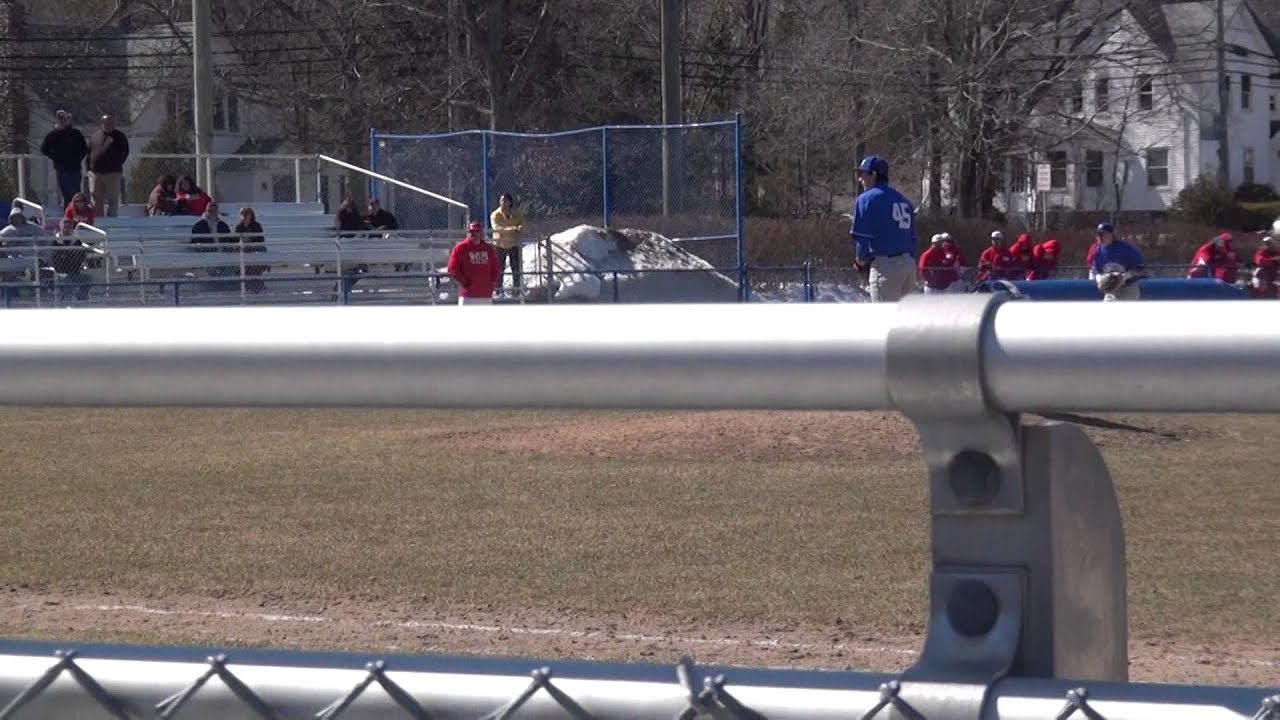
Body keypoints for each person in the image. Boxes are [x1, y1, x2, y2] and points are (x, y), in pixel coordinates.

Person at [850, 155, 917, 302]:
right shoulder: (903, 199)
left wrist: (860, 262)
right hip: (908, 266)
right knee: (903, 320)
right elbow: (913, 238)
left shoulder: (866, 199)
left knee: (884, 320)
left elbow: (862, 240)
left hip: (886, 267)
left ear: (873, 174)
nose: (860, 179)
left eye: (862, 174)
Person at [40, 110, 89, 207]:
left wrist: (78, 158)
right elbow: (44, 149)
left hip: (75, 168)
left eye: (63, 118)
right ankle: (69, 215)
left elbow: (84, 148)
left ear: (68, 119)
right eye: (59, 118)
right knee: (66, 194)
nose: (62, 121)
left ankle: (78, 215)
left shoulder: (75, 133)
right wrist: (55, 158)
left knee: (76, 193)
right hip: (62, 169)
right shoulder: (53, 135)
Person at [447, 220, 500, 305]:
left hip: (485, 294)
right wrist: (464, 282)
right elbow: (452, 268)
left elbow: (495, 268)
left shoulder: (488, 249)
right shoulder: (460, 248)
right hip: (468, 294)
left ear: (481, 234)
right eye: (472, 233)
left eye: (477, 232)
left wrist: (491, 282)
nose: (474, 235)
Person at [1090, 222, 1146, 301]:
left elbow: (1140, 266)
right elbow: (1096, 269)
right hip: (1111, 290)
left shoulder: (1125, 249)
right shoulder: (1098, 251)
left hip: (1128, 288)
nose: (1099, 237)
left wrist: (1124, 276)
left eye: (1102, 234)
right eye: (1098, 234)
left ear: (1111, 235)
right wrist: (1100, 279)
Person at [87, 114, 129, 217]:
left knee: (113, 199)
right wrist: (89, 168)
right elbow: (89, 152)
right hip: (96, 173)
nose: (107, 124)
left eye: (110, 122)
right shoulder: (95, 136)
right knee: (96, 199)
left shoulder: (120, 137)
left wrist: (115, 163)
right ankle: (98, 221)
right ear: (102, 123)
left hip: (113, 173)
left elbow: (124, 152)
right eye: (105, 122)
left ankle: (112, 221)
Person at [189, 201, 236, 289]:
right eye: (210, 210)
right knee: (211, 271)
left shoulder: (223, 225)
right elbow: (194, 243)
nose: (212, 213)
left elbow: (230, 241)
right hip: (206, 255)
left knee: (233, 267)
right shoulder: (199, 225)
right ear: (206, 211)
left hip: (223, 254)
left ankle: (224, 287)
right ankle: (215, 288)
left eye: (214, 211)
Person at [490, 193, 526, 294]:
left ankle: (517, 291)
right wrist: (513, 229)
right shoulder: (495, 214)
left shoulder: (517, 213)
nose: (503, 203)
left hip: (514, 244)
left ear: (510, 202)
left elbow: (522, 224)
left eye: (505, 201)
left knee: (516, 268)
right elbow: (497, 228)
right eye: (501, 201)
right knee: (499, 268)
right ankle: (498, 290)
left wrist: (520, 228)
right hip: (500, 244)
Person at [49, 218, 91, 301]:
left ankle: (81, 297)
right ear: (60, 227)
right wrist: (69, 255)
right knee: (66, 278)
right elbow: (54, 259)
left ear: (72, 229)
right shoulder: (55, 242)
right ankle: (68, 301)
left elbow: (81, 256)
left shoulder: (76, 241)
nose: (66, 229)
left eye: (69, 227)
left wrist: (74, 258)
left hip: (74, 272)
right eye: (64, 227)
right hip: (59, 273)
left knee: (88, 279)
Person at [234, 206, 267, 294]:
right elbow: (235, 242)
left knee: (254, 263)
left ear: (251, 215)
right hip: (243, 252)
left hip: (256, 252)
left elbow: (260, 241)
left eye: (246, 214)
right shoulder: (238, 227)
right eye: (242, 213)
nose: (244, 216)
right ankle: (251, 286)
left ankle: (256, 287)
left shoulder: (256, 226)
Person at [1252, 235, 1278, 299]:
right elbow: (1259, 262)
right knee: (1262, 293)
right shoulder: (1260, 253)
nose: (1268, 245)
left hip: (1273, 277)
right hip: (1262, 277)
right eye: (1266, 243)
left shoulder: (1276, 252)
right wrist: (1272, 259)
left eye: (1269, 243)